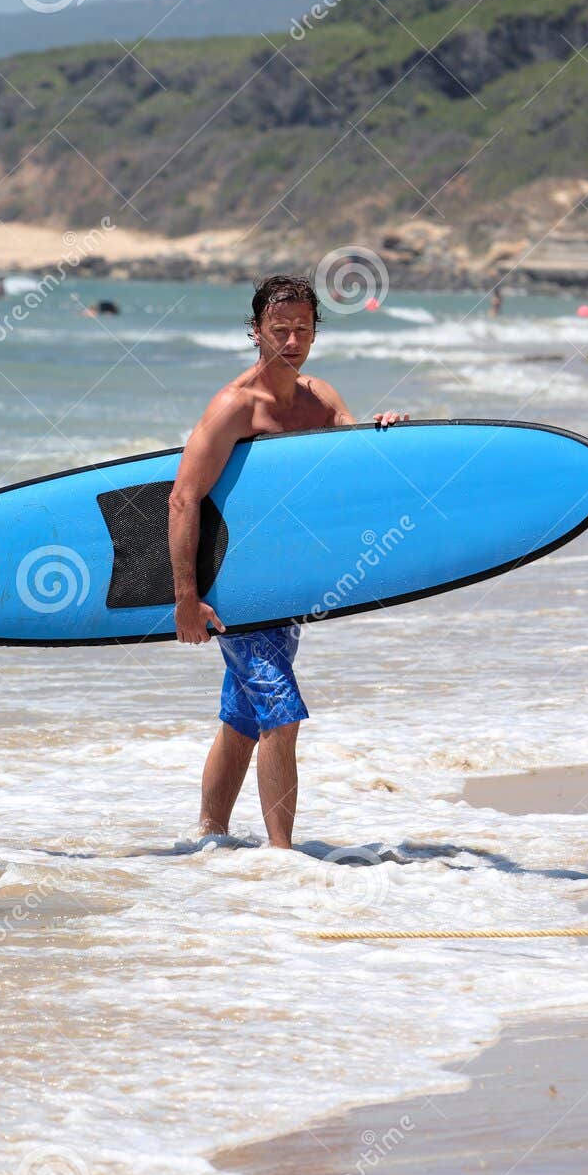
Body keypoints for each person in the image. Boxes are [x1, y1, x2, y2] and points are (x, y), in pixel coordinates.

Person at [167, 273, 408, 851]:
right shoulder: (235, 406)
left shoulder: (320, 399)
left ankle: (209, 839)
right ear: (256, 332)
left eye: (302, 329)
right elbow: (183, 497)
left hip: (288, 589)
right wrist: (186, 596)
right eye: (279, 330)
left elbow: (356, 460)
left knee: (243, 721)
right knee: (282, 711)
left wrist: (385, 430)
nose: (292, 341)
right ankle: (282, 858)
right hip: (235, 585)